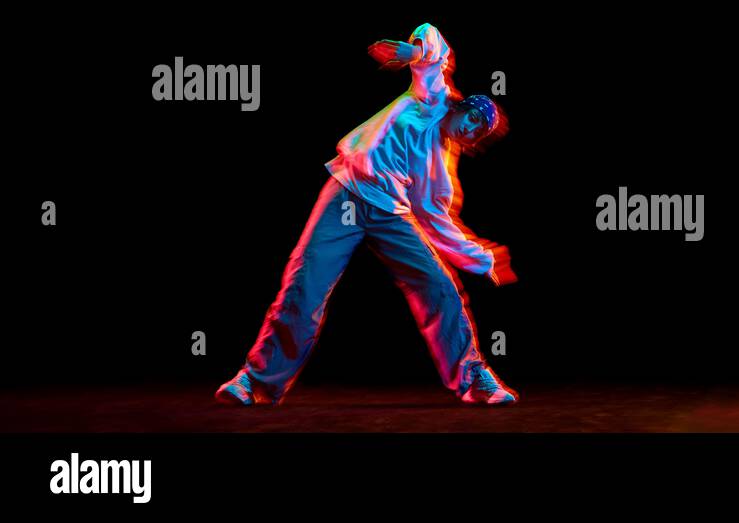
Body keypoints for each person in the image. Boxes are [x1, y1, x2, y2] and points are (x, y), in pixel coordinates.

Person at [215, 22, 518, 406]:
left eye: (478, 132)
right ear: (462, 107)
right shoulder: (432, 97)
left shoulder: (443, 168)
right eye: (474, 118)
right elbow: (434, 47)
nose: (472, 129)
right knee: (305, 283)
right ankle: (254, 381)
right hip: (346, 193)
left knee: (439, 287)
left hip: (390, 213)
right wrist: (415, 52)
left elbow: (439, 223)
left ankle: (476, 381)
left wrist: (482, 257)